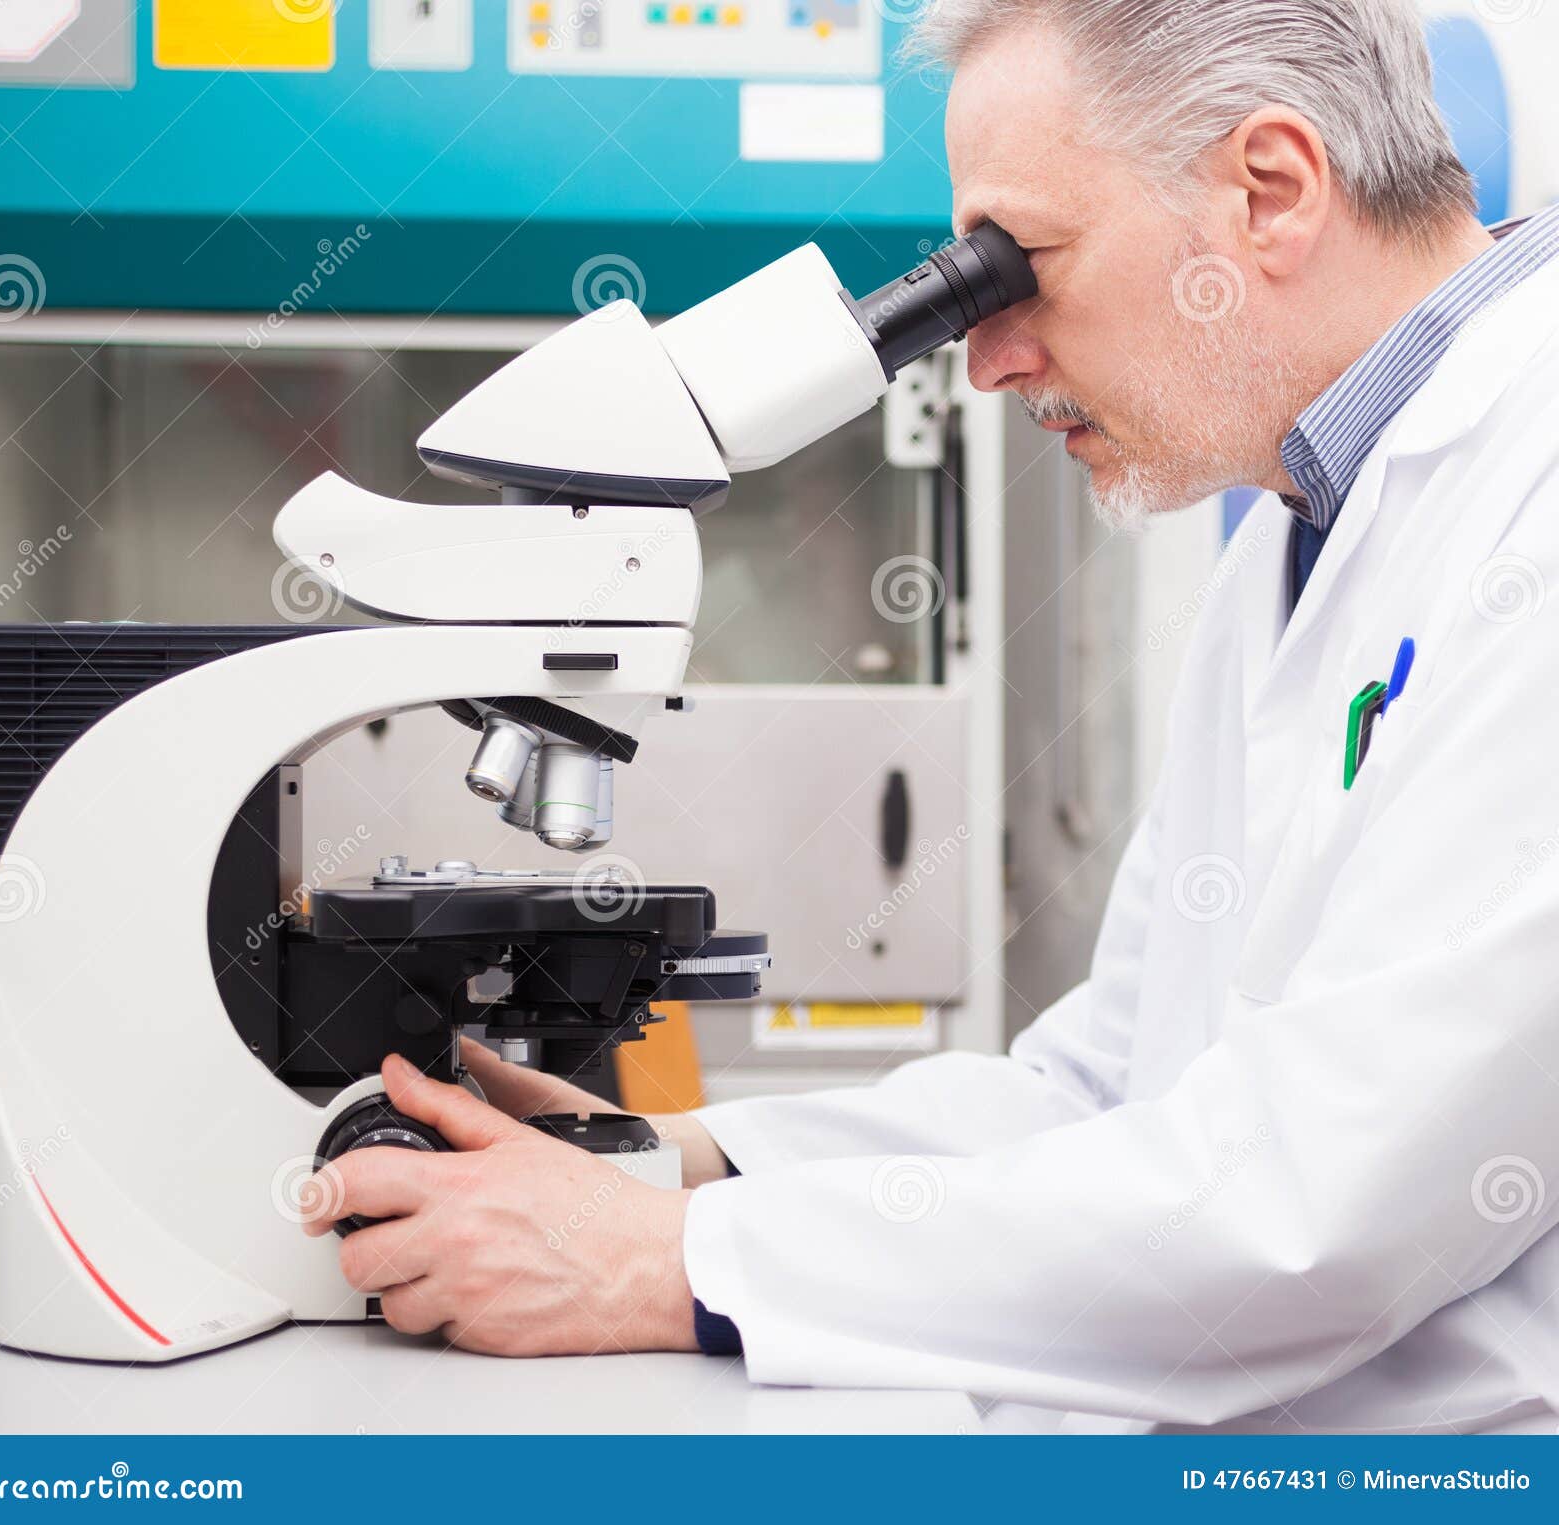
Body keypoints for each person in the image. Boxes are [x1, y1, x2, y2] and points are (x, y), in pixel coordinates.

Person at [307, 0, 1559, 1433]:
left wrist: (667, 1264)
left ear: (1268, 191)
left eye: (1015, 268)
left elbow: (1314, 1207)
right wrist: (664, 1160)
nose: (988, 358)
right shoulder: (1299, 525)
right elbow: (1112, 1088)